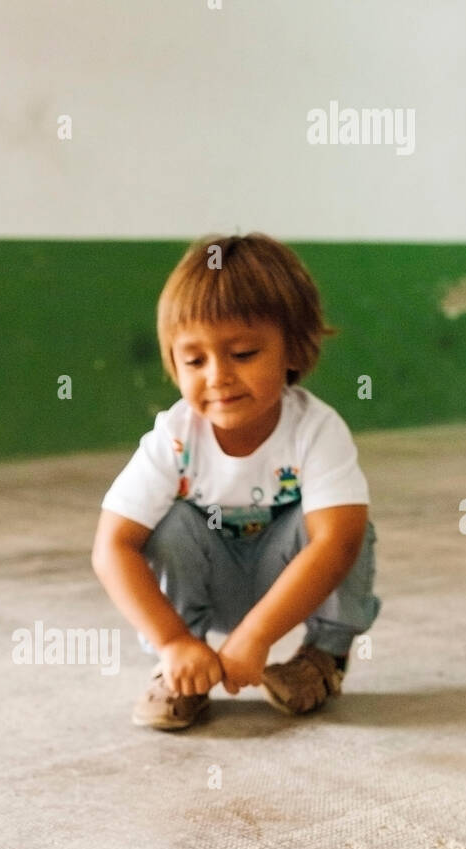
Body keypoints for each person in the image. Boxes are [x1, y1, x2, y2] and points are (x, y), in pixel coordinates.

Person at [91, 232, 380, 730]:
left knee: (349, 528)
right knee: (170, 524)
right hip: (209, 586)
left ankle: (323, 659)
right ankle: (182, 673)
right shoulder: (174, 438)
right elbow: (111, 547)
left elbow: (337, 543)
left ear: (292, 349)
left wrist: (258, 635)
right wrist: (172, 641)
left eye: (243, 353)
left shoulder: (316, 429)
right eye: (195, 360)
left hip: (286, 583)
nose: (218, 376)